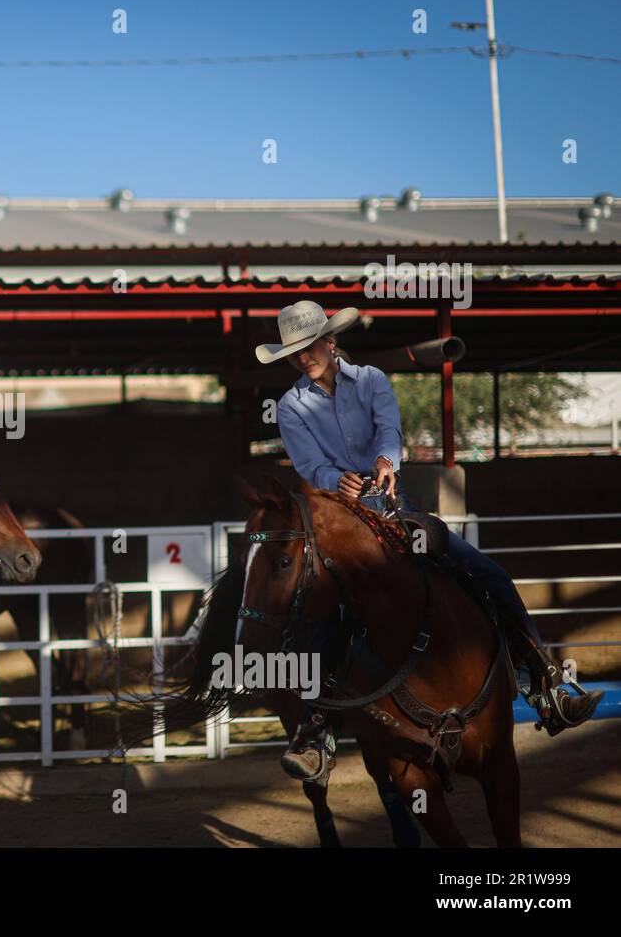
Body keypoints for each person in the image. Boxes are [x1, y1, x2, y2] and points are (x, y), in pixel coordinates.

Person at [254, 301, 602, 783]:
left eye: (308, 347)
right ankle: (315, 732)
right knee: (321, 613)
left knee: (489, 575)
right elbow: (310, 466)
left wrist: (384, 463)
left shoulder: (372, 380)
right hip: (337, 520)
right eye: (294, 353)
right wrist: (337, 480)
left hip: (397, 508)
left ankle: (545, 684)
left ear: (329, 342)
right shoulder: (291, 406)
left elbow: (389, 430)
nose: (303, 358)